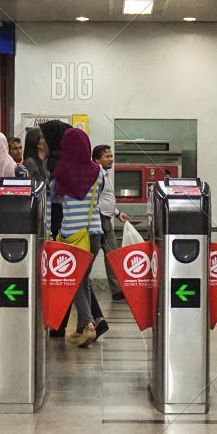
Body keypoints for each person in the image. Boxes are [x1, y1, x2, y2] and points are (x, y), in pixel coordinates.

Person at [51, 128, 106, 346]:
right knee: (83, 280)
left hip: (71, 234)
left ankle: (89, 324)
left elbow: (53, 203)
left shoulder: (61, 173)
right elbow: (98, 197)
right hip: (94, 232)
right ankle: (84, 324)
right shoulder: (99, 171)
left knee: (74, 281)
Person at [93, 143, 129, 301]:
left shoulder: (106, 174)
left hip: (106, 219)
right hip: (99, 219)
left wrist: (117, 213)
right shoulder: (96, 174)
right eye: (107, 156)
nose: (111, 159)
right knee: (92, 255)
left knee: (113, 254)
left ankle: (117, 290)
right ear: (97, 159)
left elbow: (107, 198)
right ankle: (79, 285)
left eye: (111, 156)